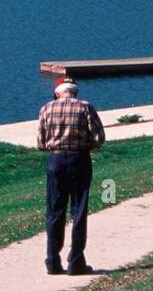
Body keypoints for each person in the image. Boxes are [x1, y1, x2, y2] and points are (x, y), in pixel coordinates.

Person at [37, 75, 106, 275]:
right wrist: (84, 145)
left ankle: (52, 260)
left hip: (55, 161)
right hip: (79, 160)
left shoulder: (46, 109)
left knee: (55, 211)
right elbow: (99, 139)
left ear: (57, 92)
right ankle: (76, 261)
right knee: (78, 210)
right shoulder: (85, 107)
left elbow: (41, 143)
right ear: (75, 92)